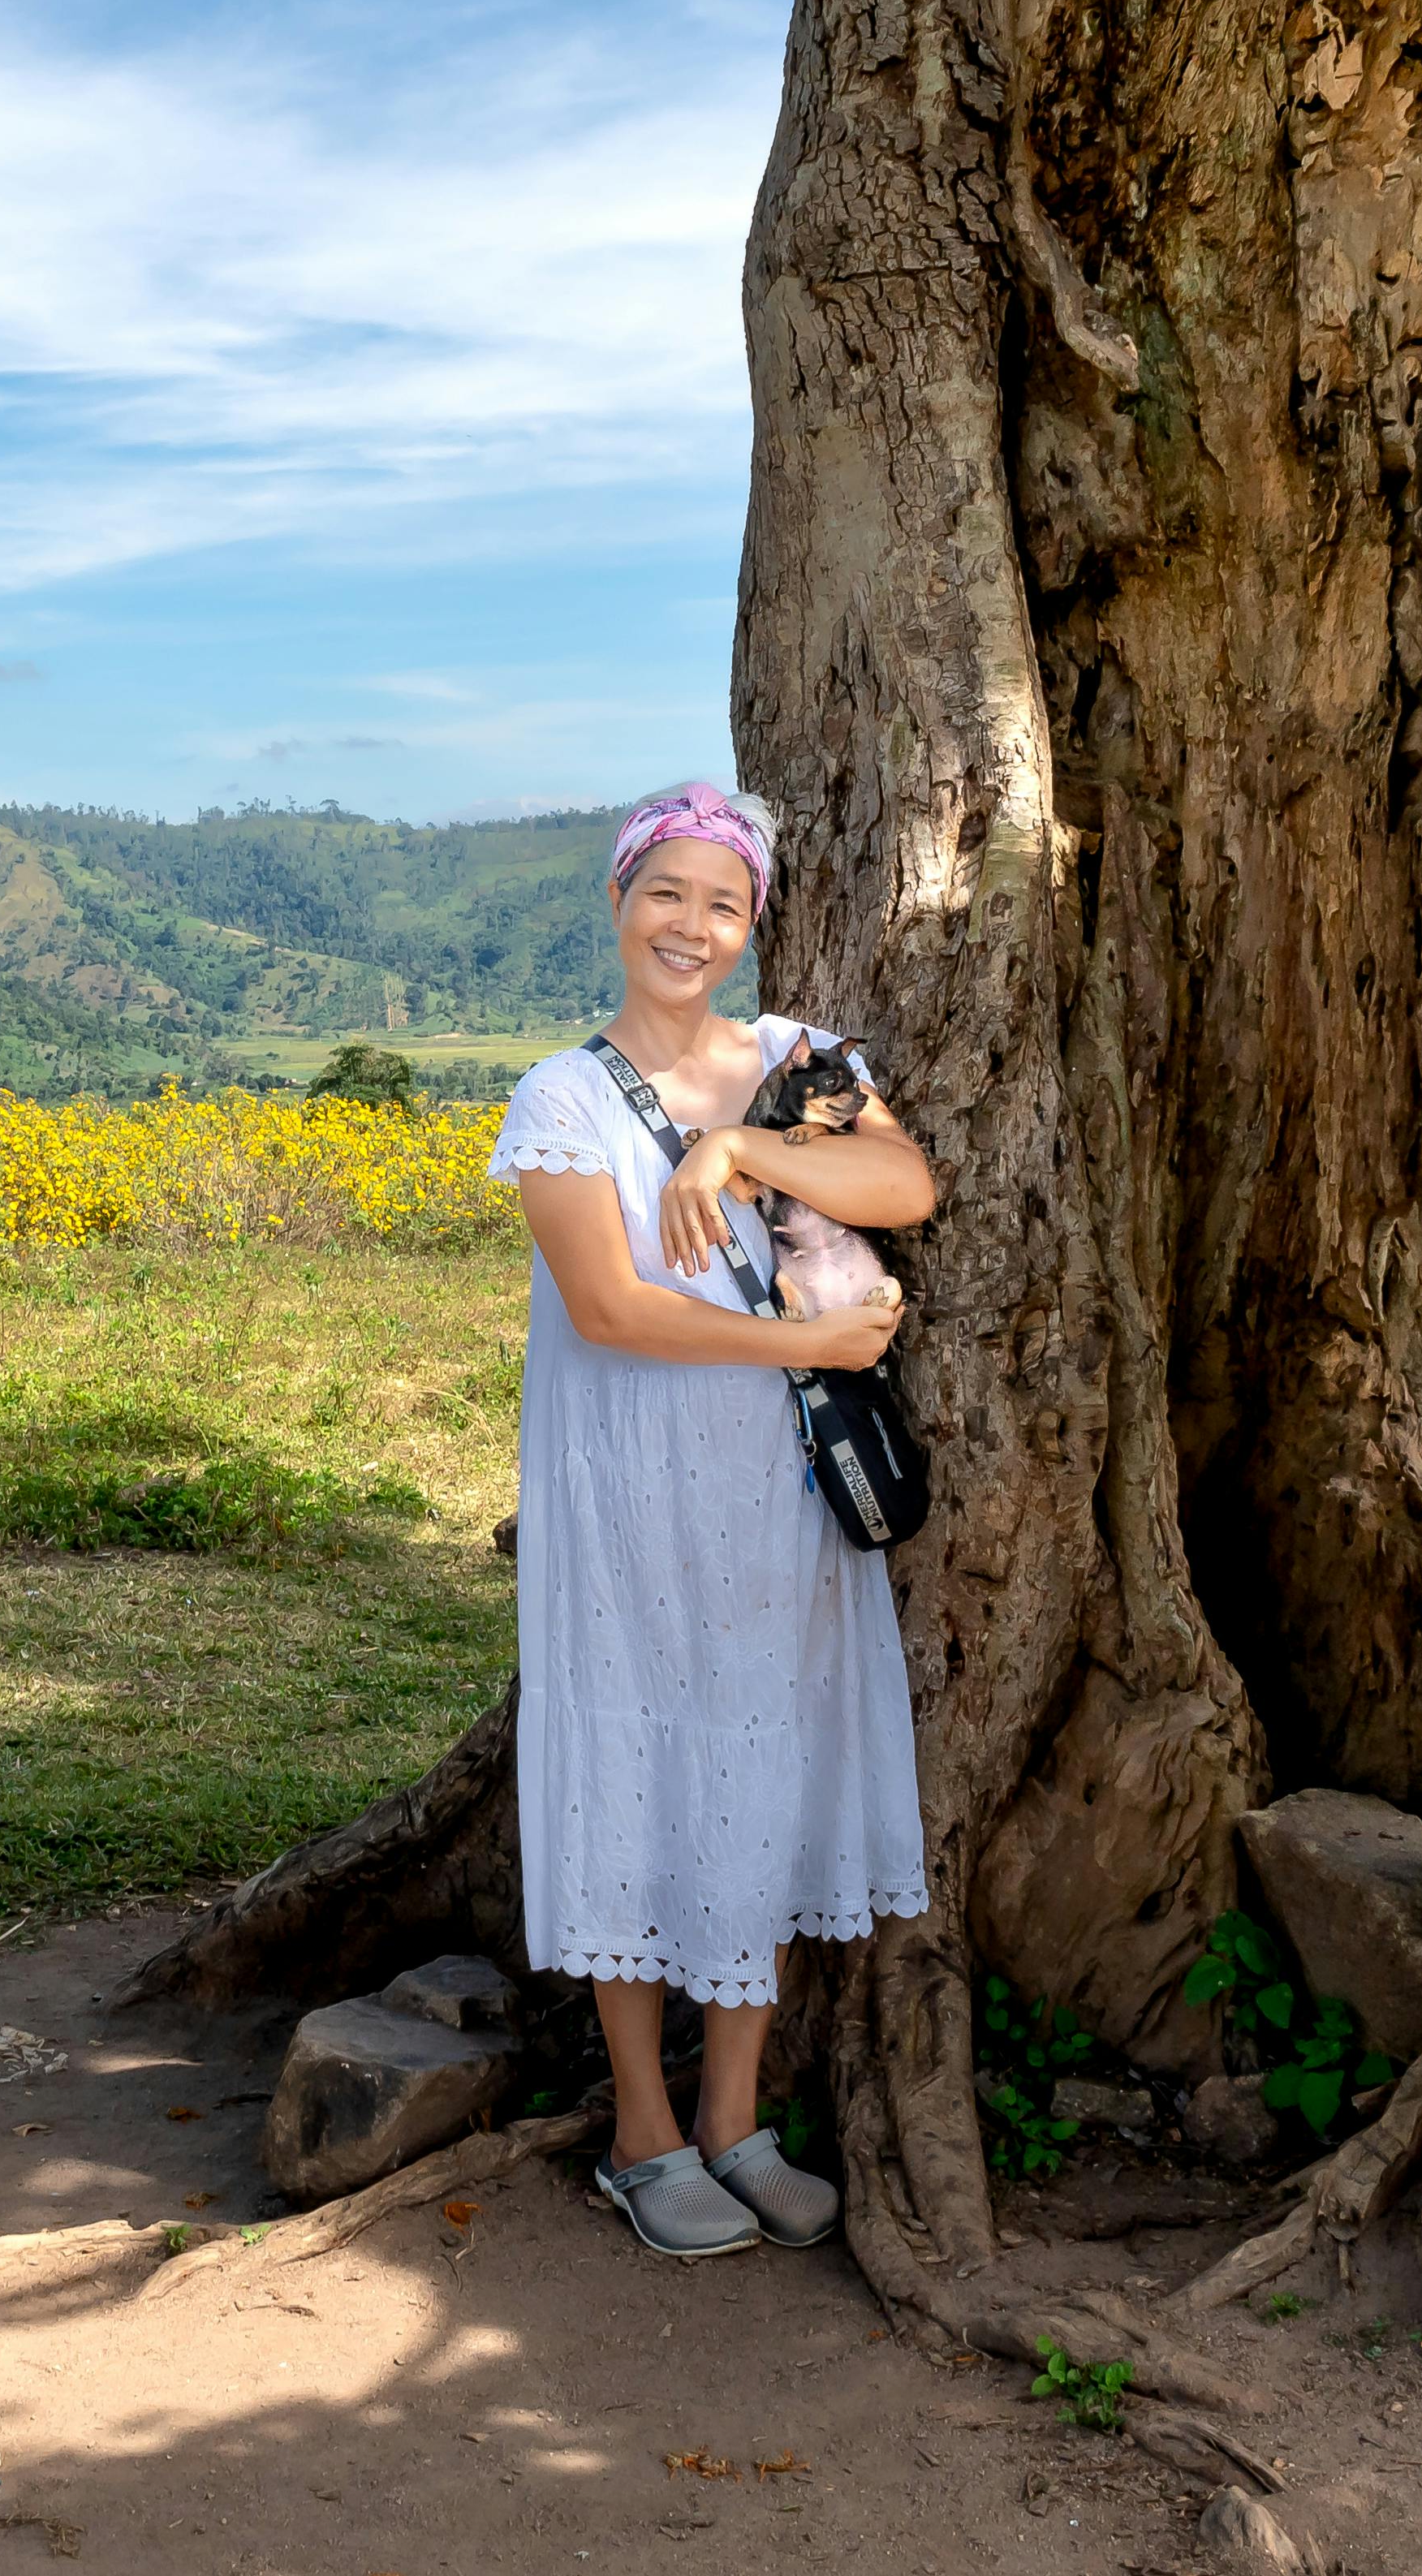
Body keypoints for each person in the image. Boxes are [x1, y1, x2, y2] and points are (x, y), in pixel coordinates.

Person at [482, 780, 937, 2257]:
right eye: (666, 892)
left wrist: (738, 1151)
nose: (692, 924)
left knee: (760, 1771)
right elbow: (612, 1309)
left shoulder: (799, 1058)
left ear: (750, 926)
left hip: (779, 1503)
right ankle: (641, 2130)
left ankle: (736, 2120)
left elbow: (903, 1180)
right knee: (633, 1771)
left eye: (722, 903)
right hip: (628, 1493)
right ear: (621, 901)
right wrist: (807, 1347)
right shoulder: (560, 1095)